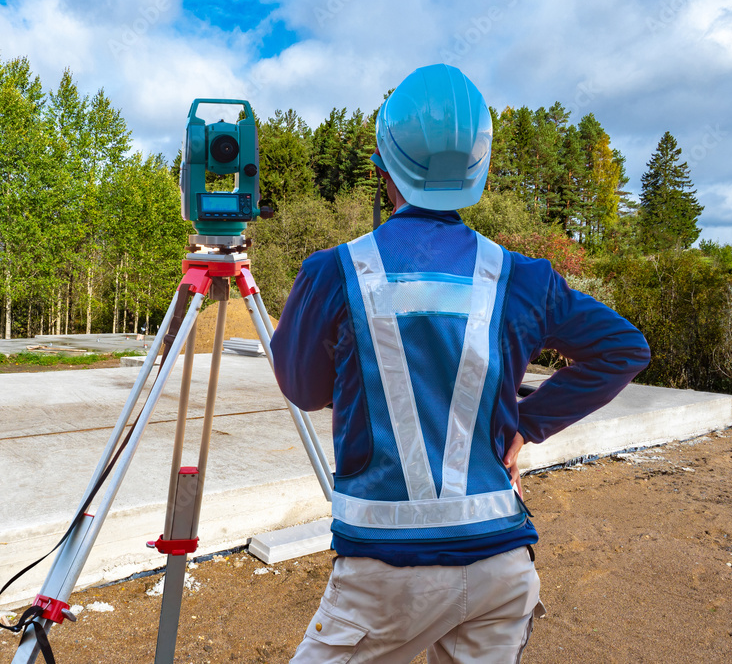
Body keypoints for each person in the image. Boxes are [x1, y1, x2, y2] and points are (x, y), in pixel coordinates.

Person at [270, 64, 650, 663]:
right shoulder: (521, 277)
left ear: (382, 167)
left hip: (385, 578)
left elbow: (303, 387)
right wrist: (527, 423)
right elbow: (624, 349)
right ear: (481, 169)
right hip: (502, 566)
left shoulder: (333, 272)